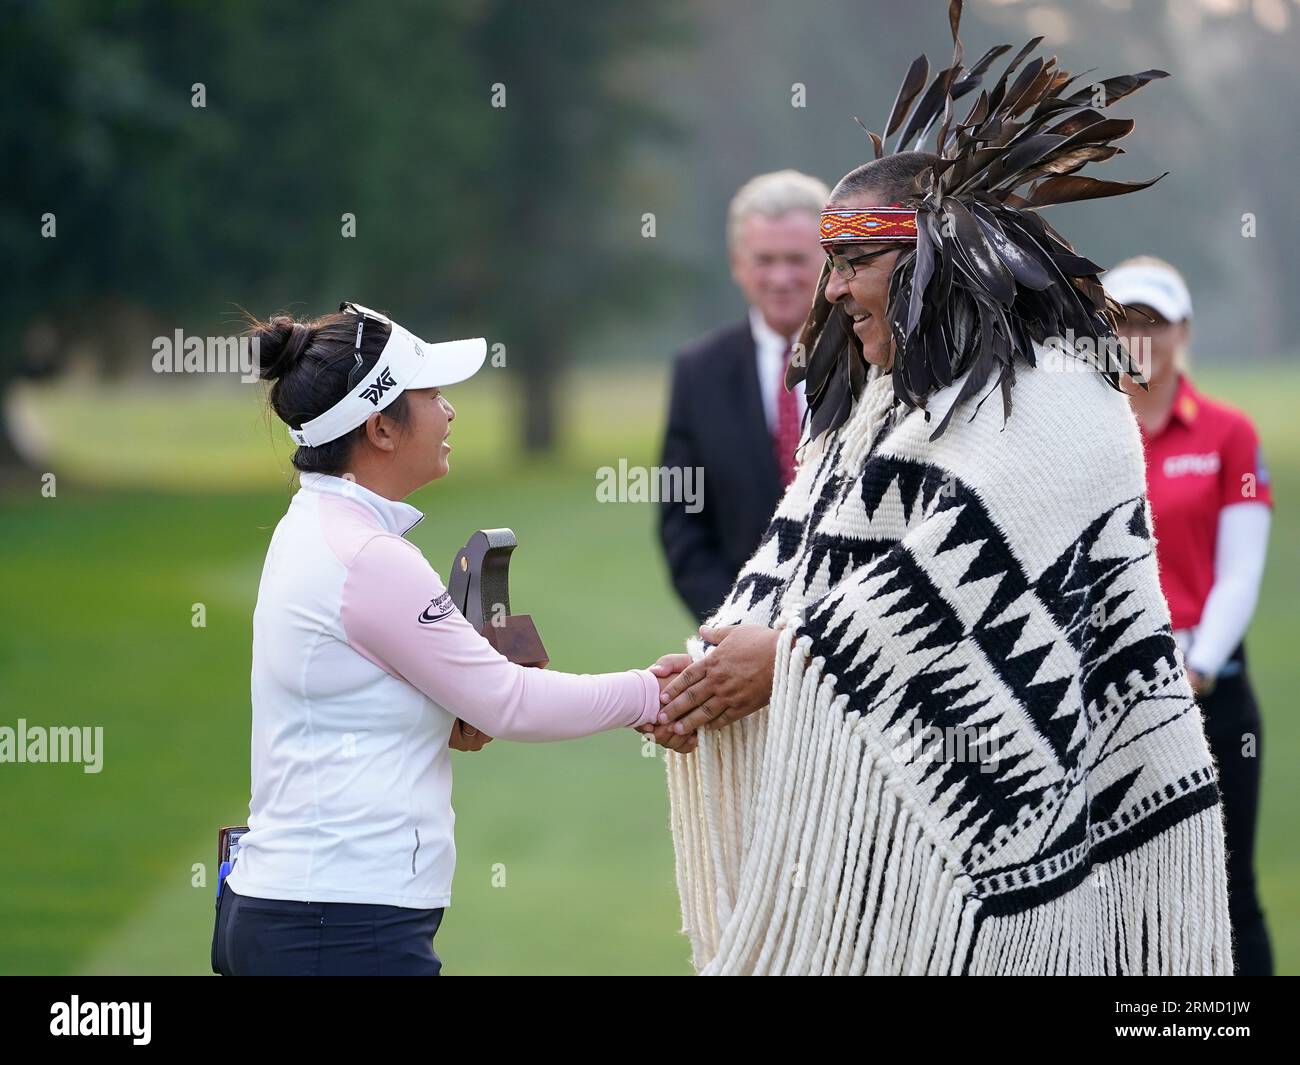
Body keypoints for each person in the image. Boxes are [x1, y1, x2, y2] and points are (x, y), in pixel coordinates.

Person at [643, 6, 1234, 975]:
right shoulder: (877, 410)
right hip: (887, 869)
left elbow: (945, 605)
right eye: (822, 262)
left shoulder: (1058, 403)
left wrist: (786, 662)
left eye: (851, 261)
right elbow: (798, 564)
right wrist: (707, 670)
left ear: (931, 259)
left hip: (1009, 861)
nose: (828, 291)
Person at [213, 302, 683, 977]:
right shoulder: (371, 556)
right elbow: (509, 702)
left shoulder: (313, 522)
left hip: (297, 912)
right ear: (380, 427)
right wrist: (653, 693)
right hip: (339, 927)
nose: (449, 410)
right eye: (431, 393)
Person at [1108, 256, 1274, 975]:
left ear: (1183, 332)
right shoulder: (1085, 430)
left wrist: (1198, 663)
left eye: (1155, 322)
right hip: (1106, 692)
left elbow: (1240, 568)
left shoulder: (1227, 433)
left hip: (1207, 685)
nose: (1140, 337)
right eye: (1124, 321)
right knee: (1118, 895)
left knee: (1227, 887)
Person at [659, 170, 827, 622]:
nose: (780, 277)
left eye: (796, 259)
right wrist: (736, 624)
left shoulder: (879, 362)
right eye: (764, 260)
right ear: (737, 263)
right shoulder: (698, 372)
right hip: (738, 638)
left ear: (832, 258)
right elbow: (682, 522)